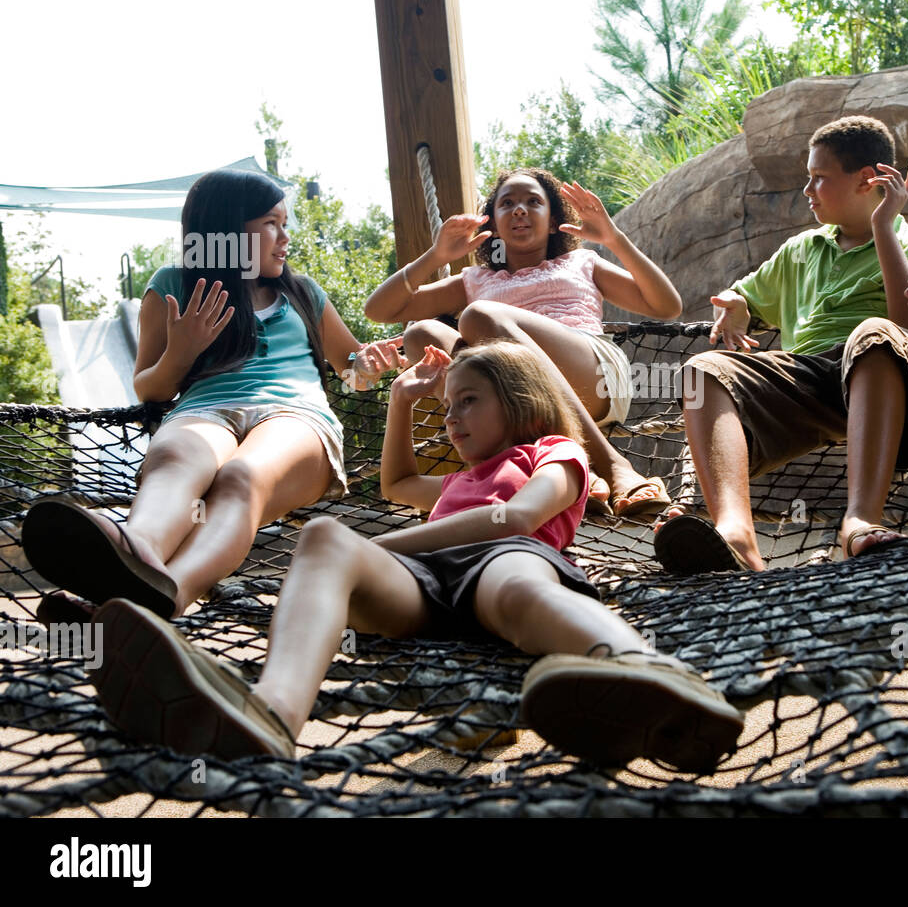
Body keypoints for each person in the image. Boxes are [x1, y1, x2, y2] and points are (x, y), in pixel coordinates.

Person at [87, 341, 745, 772]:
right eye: (447, 406)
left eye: (468, 401)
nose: (451, 418)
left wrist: (384, 545)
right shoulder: (458, 479)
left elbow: (517, 518)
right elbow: (397, 483)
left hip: (506, 559)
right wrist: (403, 401)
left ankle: (648, 672)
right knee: (323, 537)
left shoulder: (554, 452)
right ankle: (272, 714)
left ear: (520, 398)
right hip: (426, 587)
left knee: (517, 583)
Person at [22, 169, 402, 618]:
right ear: (227, 229)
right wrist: (181, 352)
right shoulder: (174, 285)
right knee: (175, 460)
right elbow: (150, 389)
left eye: (285, 223)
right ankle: (137, 550)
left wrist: (368, 366)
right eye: (271, 224)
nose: (285, 238)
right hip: (205, 410)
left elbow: (351, 372)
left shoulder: (303, 293)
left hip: (296, 416)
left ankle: (166, 596)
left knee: (241, 477)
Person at [656, 116, 908, 573]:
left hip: (897, 377)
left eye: (819, 177)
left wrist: (883, 227)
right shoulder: (803, 249)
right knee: (702, 371)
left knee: (874, 334)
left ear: (866, 180)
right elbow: (746, 295)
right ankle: (736, 534)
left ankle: (860, 520)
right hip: (809, 379)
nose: (807, 190)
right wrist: (737, 303)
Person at [364, 168, 682, 516]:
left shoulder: (582, 263)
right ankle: (553, 466)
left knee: (478, 317)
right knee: (421, 334)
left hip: (594, 376)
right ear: (493, 225)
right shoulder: (474, 280)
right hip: (521, 400)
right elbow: (379, 310)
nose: (519, 209)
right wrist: (437, 256)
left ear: (553, 221)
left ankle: (610, 464)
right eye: (507, 203)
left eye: (533, 201)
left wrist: (614, 239)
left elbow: (666, 306)